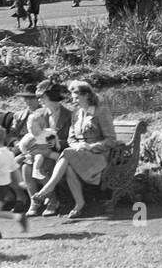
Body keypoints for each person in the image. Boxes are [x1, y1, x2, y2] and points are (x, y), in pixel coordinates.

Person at [32, 81, 116, 220]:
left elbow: (111, 140)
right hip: (79, 153)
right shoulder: (76, 113)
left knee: (67, 153)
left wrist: (91, 147)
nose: (74, 100)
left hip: (99, 156)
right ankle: (79, 203)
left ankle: (48, 188)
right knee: (69, 166)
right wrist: (77, 146)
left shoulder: (101, 111)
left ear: (87, 95)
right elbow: (71, 138)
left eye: (77, 97)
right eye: (72, 97)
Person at [22, 79, 72, 217]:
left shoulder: (69, 116)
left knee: (43, 167)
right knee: (26, 167)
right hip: (40, 151)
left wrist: (49, 145)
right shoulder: (40, 113)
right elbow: (33, 133)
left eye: (42, 97)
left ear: (51, 96)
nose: (40, 100)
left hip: (59, 153)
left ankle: (52, 200)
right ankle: (35, 202)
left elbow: (71, 140)